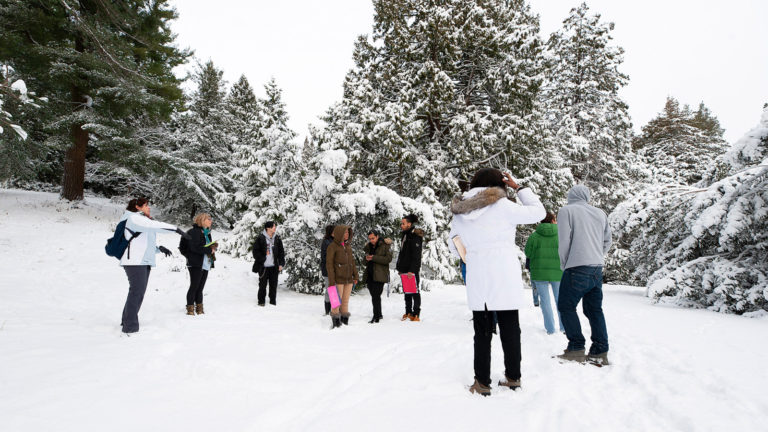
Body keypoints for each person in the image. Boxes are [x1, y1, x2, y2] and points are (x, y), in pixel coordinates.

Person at [448, 168, 545, 396]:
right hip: (504, 273)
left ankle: (482, 382)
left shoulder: (460, 211)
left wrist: (472, 254)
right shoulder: (502, 206)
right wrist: (518, 187)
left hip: (478, 273)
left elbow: (454, 245)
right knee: (510, 327)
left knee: (481, 330)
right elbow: (539, 212)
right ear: (498, 184)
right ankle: (513, 377)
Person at [556, 185, 613, 365]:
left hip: (576, 266)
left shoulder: (566, 211)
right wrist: (596, 254)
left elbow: (564, 241)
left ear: (571, 195)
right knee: (594, 310)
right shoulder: (600, 213)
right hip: (596, 267)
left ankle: (576, 347)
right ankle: (600, 351)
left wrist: (565, 263)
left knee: (566, 306)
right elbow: (608, 241)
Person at [118, 197, 189, 334]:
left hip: (142, 261)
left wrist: (158, 249)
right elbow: (154, 225)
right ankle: (130, 326)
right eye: (146, 205)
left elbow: (141, 244)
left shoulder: (141, 220)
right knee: (137, 292)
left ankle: (126, 320)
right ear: (137, 207)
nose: (149, 207)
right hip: (135, 262)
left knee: (137, 292)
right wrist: (175, 229)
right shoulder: (133, 218)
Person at [524, 212, 564, 334]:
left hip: (539, 272)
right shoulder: (561, 235)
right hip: (558, 272)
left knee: (545, 301)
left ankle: (550, 329)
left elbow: (528, 253)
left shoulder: (534, 236)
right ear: (552, 221)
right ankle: (564, 327)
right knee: (560, 300)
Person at [182, 213, 217, 316]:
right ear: (202, 220)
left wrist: (212, 248)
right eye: (208, 219)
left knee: (200, 287)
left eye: (211, 219)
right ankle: (190, 308)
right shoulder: (194, 232)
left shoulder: (207, 233)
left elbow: (205, 246)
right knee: (194, 286)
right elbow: (194, 247)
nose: (211, 221)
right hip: (196, 263)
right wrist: (208, 250)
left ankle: (199, 307)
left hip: (205, 262)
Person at [326, 225, 358, 328]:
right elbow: (329, 265)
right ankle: (336, 324)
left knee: (345, 302)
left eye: (348, 232)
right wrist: (332, 281)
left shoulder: (348, 246)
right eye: (345, 232)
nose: (347, 234)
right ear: (339, 233)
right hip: (337, 280)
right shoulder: (332, 246)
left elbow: (352, 262)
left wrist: (355, 276)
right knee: (336, 303)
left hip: (348, 279)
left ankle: (345, 322)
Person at [396, 214, 424, 321]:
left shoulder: (415, 236)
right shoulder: (405, 235)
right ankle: (408, 312)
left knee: (415, 291)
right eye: (401, 223)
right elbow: (402, 253)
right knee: (407, 292)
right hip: (404, 269)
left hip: (412, 270)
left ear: (409, 224)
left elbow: (416, 256)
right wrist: (399, 267)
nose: (401, 225)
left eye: (403, 223)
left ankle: (416, 314)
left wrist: (412, 270)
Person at [252, 221, 285, 306]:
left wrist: (281, 264)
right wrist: (263, 257)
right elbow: (255, 252)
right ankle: (261, 301)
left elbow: (281, 252)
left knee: (273, 285)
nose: (275, 228)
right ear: (268, 228)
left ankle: (272, 302)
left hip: (274, 267)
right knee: (262, 285)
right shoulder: (261, 238)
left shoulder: (277, 238)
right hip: (263, 267)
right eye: (273, 226)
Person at [363, 230, 393, 323]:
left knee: (375, 295)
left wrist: (373, 257)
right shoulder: (368, 246)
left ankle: (376, 316)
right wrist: (366, 258)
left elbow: (388, 259)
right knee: (374, 295)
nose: (371, 240)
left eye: (373, 238)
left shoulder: (385, 245)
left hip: (380, 275)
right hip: (370, 275)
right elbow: (364, 262)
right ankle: (379, 314)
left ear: (377, 236)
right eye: (370, 239)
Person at [320, 225, 334, 315]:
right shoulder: (326, 242)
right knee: (330, 290)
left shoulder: (335, 241)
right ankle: (328, 310)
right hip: (327, 269)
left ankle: (334, 308)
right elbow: (324, 257)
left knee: (334, 289)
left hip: (335, 269)